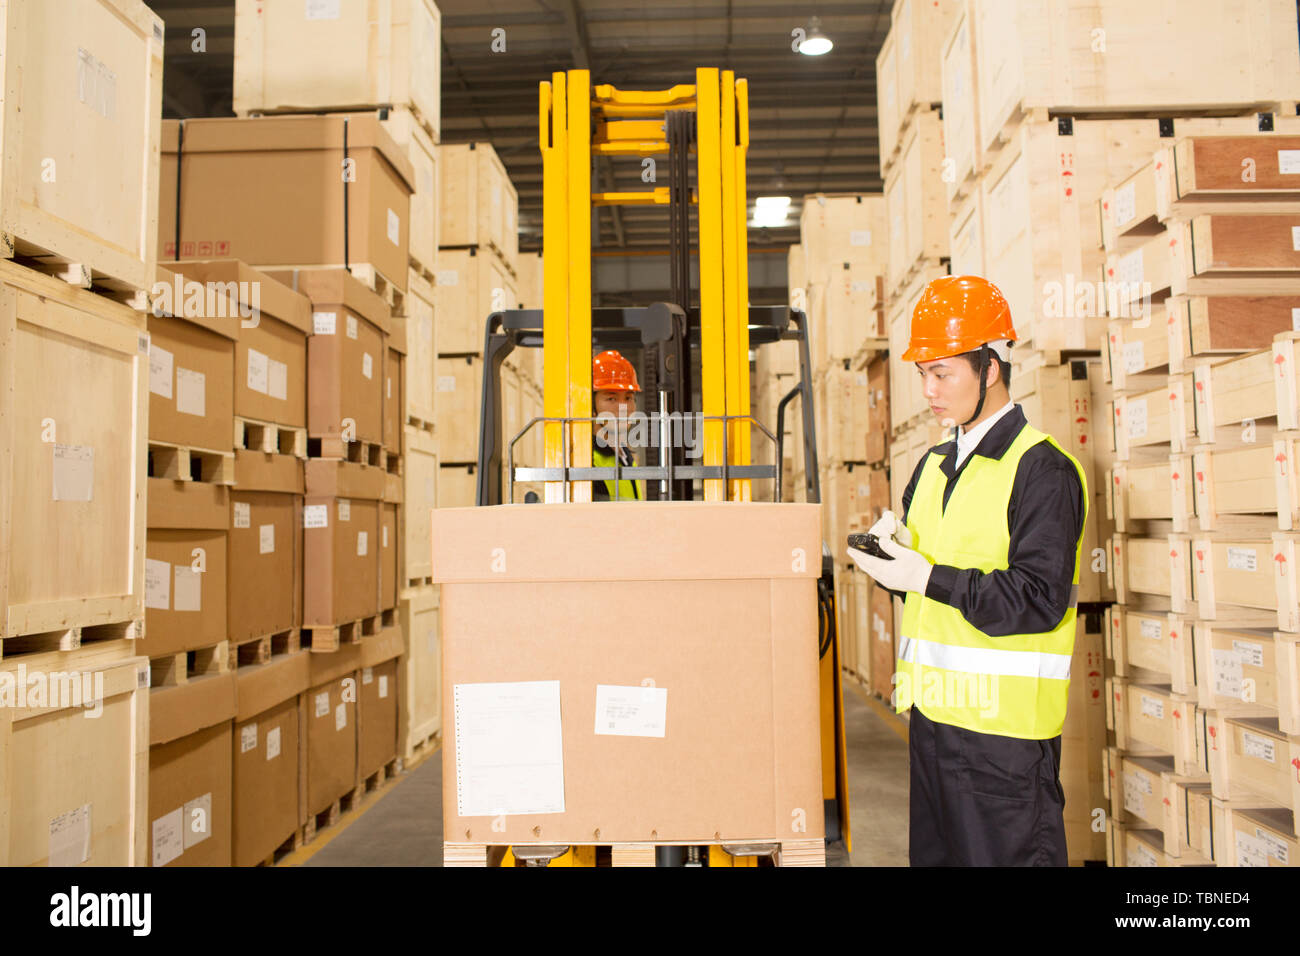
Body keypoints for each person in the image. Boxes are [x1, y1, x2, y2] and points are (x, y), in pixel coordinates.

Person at [848, 275, 1087, 867]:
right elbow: (928, 587)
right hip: (932, 723)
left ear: (992, 367)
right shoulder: (931, 465)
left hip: (1002, 743)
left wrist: (925, 576)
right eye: (923, 373)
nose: (928, 390)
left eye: (942, 373)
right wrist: (888, 563)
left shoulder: (1043, 470)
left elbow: (1037, 598)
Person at [591, 350, 645, 501]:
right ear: (591, 407)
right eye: (611, 398)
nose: (623, 408)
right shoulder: (588, 461)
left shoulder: (626, 456)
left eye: (628, 398)